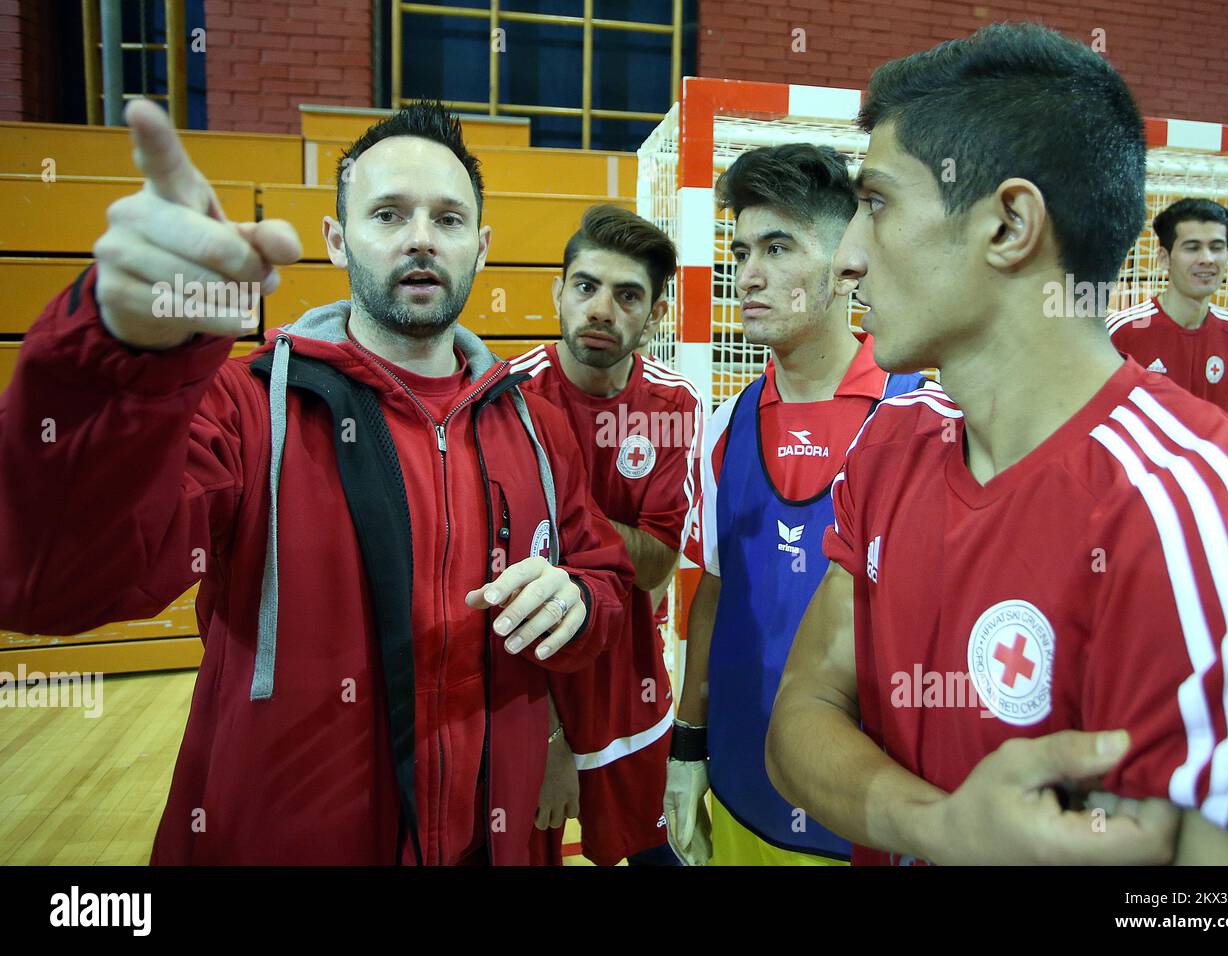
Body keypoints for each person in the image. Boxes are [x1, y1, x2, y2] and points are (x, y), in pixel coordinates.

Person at [0, 98, 633, 865]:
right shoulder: (245, 407)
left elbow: (606, 583)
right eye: (390, 215)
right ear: (337, 240)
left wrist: (578, 601)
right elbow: (54, 585)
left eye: (448, 219)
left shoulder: (532, 424)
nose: (422, 240)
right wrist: (117, 357)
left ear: (482, 245)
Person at [766, 22, 1228, 865]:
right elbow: (803, 711)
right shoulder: (892, 445)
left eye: (875, 204)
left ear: (1010, 223)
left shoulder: (1210, 513)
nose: (850, 257)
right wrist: (939, 827)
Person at [665, 144, 924, 866]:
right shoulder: (724, 426)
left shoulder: (930, 422)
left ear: (849, 262)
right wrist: (688, 744)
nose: (748, 275)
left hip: (871, 819)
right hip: (742, 791)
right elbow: (714, 595)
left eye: (778, 248)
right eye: (742, 250)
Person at [515, 204, 700, 866]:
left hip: (632, 681)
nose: (601, 309)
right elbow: (511, 581)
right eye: (586, 286)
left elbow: (652, 566)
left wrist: (560, 518)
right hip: (528, 691)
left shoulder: (675, 407)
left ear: (654, 315)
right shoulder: (507, 399)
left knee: (651, 852)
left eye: (627, 296)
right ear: (558, 292)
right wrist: (552, 740)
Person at [1107, 199, 1228, 420]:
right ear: (1164, 258)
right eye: (1192, 247)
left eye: (1216, 247)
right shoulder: (1121, 331)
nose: (1207, 259)